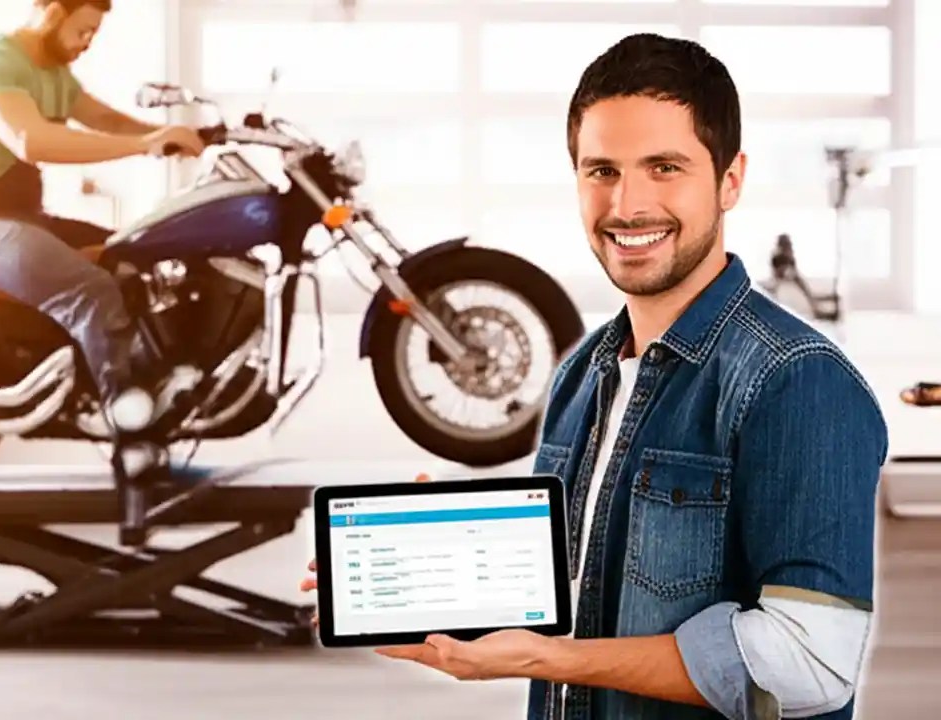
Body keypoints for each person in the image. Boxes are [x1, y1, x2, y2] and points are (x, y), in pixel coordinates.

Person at [301, 33, 888, 720]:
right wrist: (454, 557)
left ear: (730, 180)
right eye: (601, 170)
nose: (626, 206)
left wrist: (545, 657)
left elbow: (810, 661)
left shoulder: (796, 382)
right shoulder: (583, 373)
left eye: (664, 167)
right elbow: (587, 578)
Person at [0, 0, 205, 476]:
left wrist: (169, 133)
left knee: (134, 254)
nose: (87, 42)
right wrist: (142, 145)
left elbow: (106, 119)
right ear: (54, 12)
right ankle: (131, 439)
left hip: (21, 215)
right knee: (93, 291)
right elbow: (30, 141)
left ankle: (139, 393)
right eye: (84, 30)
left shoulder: (54, 73)